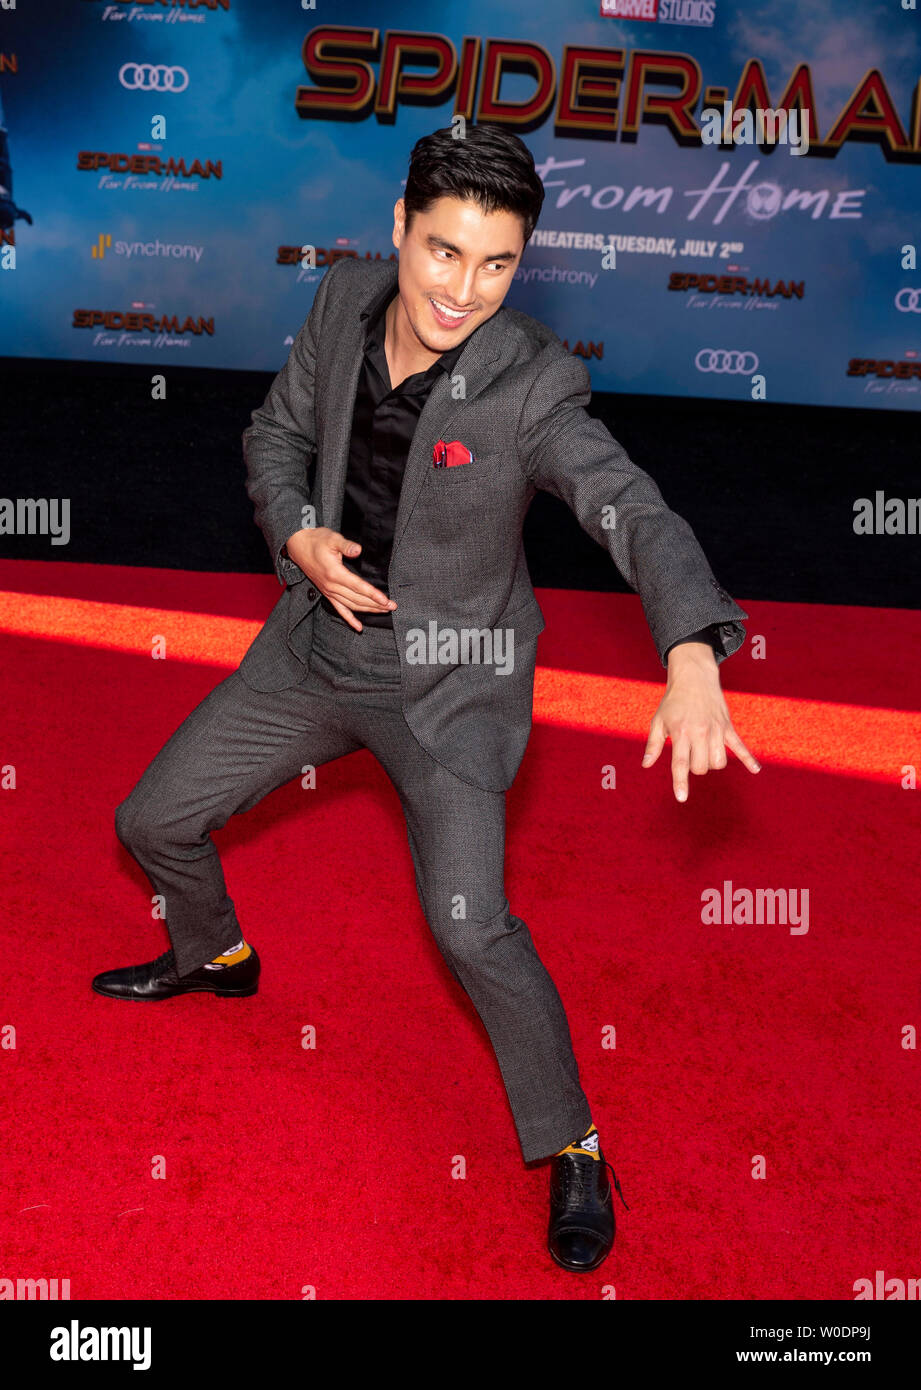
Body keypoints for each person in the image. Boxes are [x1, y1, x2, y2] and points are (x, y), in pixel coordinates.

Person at [94, 123, 760, 1274]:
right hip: (313, 654)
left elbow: (630, 507)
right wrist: (297, 531)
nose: (464, 290)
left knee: (471, 927)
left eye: (497, 264)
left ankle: (578, 1141)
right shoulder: (343, 300)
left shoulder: (533, 381)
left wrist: (692, 648)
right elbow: (276, 435)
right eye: (444, 252)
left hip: (448, 688)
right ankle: (215, 955)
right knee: (149, 821)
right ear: (399, 229)